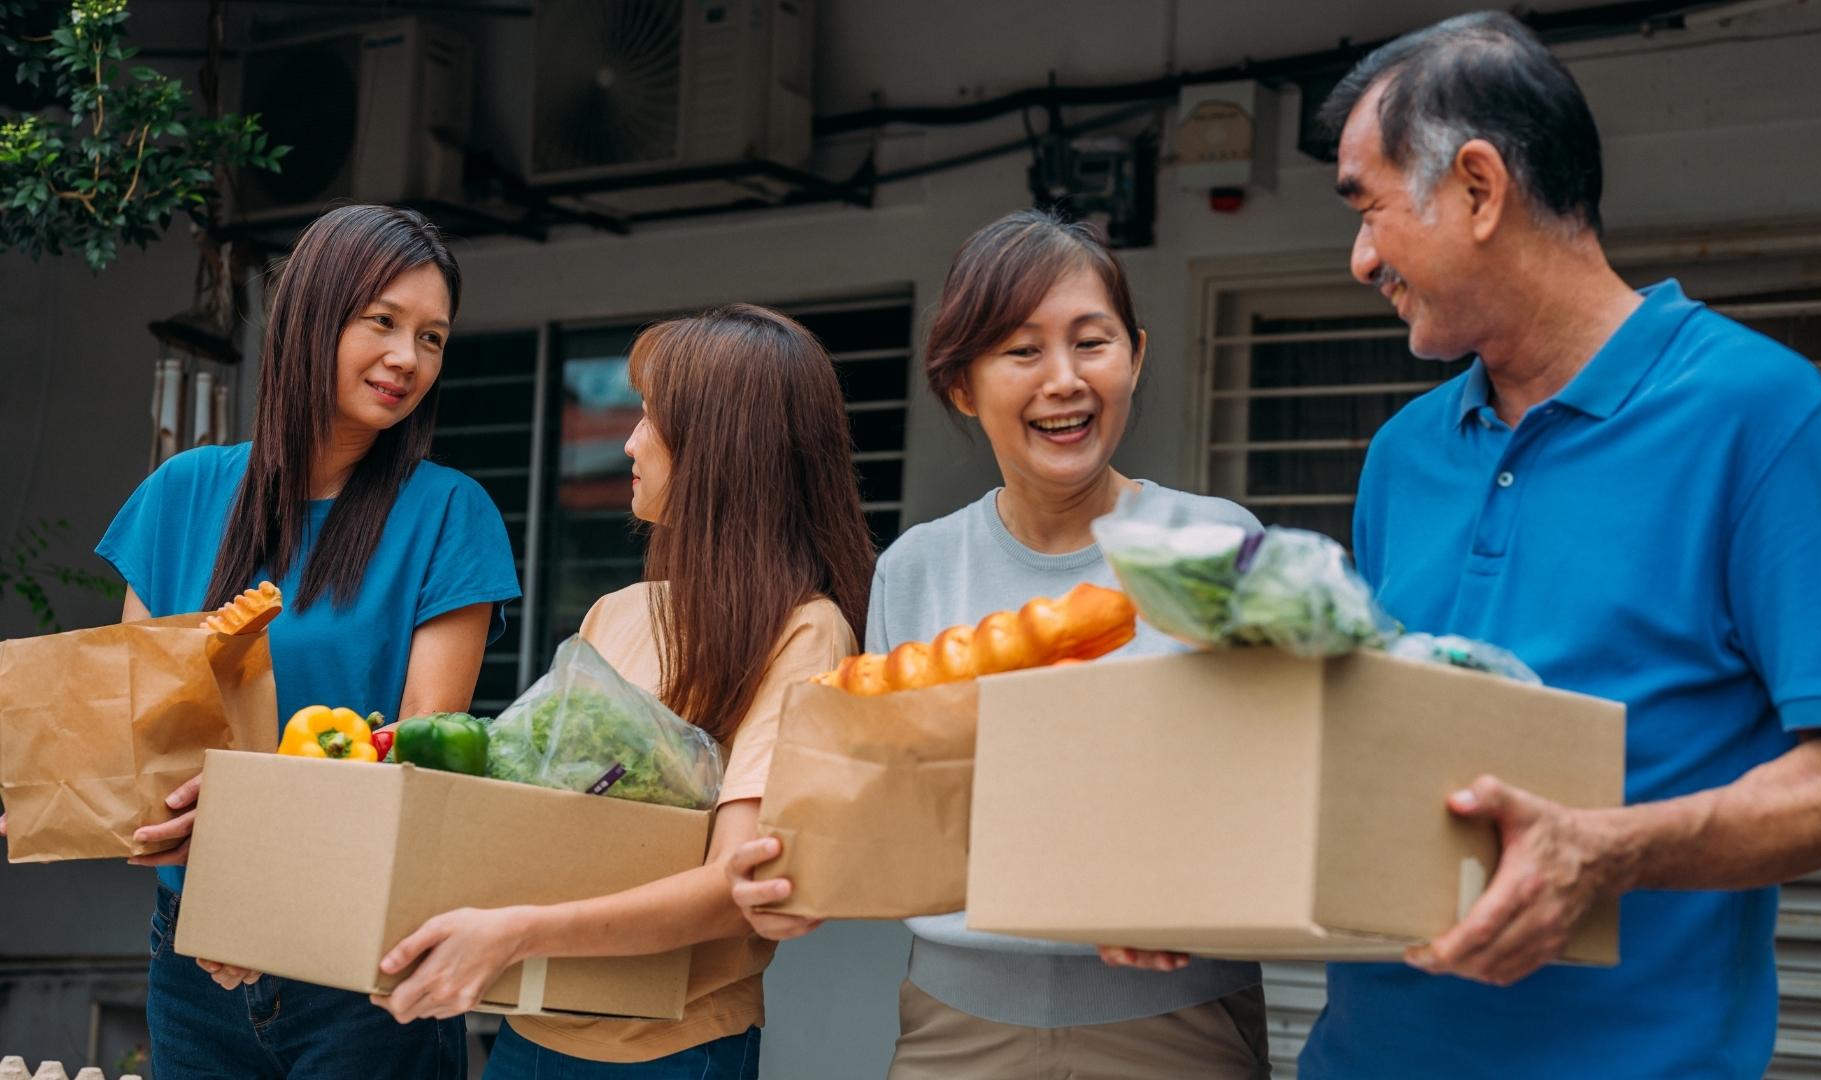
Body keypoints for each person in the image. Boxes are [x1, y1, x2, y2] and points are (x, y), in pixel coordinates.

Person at [1259, 11, 1821, 1077]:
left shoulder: (1762, 418)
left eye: (1370, 209)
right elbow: (1373, 752)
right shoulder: (1402, 453)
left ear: (1478, 189)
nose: (1360, 257)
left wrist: (1604, 851)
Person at [730, 209, 1272, 1080]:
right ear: (960, 384)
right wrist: (790, 868)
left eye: (1091, 343)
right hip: (954, 1026)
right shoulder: (913, 570)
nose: (1064, 380)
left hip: (1176, 1022)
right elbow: (891, 809)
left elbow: (1277, 786)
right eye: (1022, 352)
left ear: (1134, 353)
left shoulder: (1216, 547)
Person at [1, 204, 523, 1078]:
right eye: (383, 322)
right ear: (312, 315)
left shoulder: (449, 514)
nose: (408, 359)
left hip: (367, 961)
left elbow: (423, 764)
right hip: (192, 954)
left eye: (433, 338)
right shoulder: (182, 494)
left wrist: (257, 873)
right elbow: (144, 737)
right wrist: (73, 791)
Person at [368, 304, 872, 1080]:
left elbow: (733, 887)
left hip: (671, 1051)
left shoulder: (806, 632)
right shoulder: (619, 612)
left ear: (721, 448)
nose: (629, 442)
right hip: (529, 1034)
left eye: (650, 418)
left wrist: (514, 932)